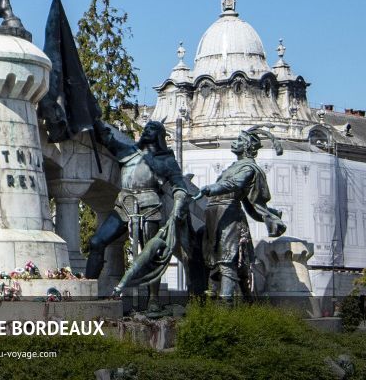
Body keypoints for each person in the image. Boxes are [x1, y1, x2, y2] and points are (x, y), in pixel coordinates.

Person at [85, 120, 190, 310]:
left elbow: (178, 184)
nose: (147, 131)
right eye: (146, 128)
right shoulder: (127, 151)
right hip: (123, 205)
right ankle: (86, 290)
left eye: (152, 129)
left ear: (159, 135)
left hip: (149, 208)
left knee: (150, 254)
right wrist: (91, 117)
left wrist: (179, 199)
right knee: (96, 242)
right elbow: (107, 138)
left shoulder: (166, 160)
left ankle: (153, 300)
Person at [193, 126, 287, 303]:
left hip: (229, 217)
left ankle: (226, 306)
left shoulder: (249, 168)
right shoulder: (234, 166)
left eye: (238, 141)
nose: (234, 143)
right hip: (215, 216)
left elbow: (235, 185)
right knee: (212, 260)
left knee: (227, 261)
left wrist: (210, 188)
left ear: (246, 147)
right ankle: (224, 302)